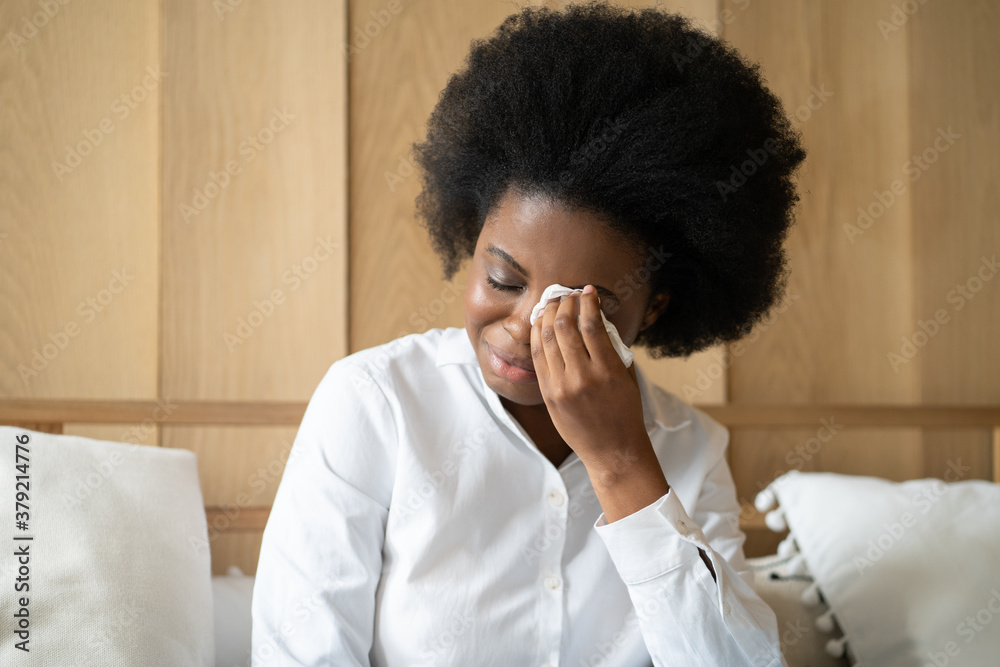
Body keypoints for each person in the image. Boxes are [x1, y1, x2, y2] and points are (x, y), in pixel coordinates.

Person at [251, 2, 806, 665]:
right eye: (504, 280)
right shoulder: (375, 403)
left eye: (575, 307)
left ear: (653, 307)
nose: (521, 328)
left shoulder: (688, 450)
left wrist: (623, 462)